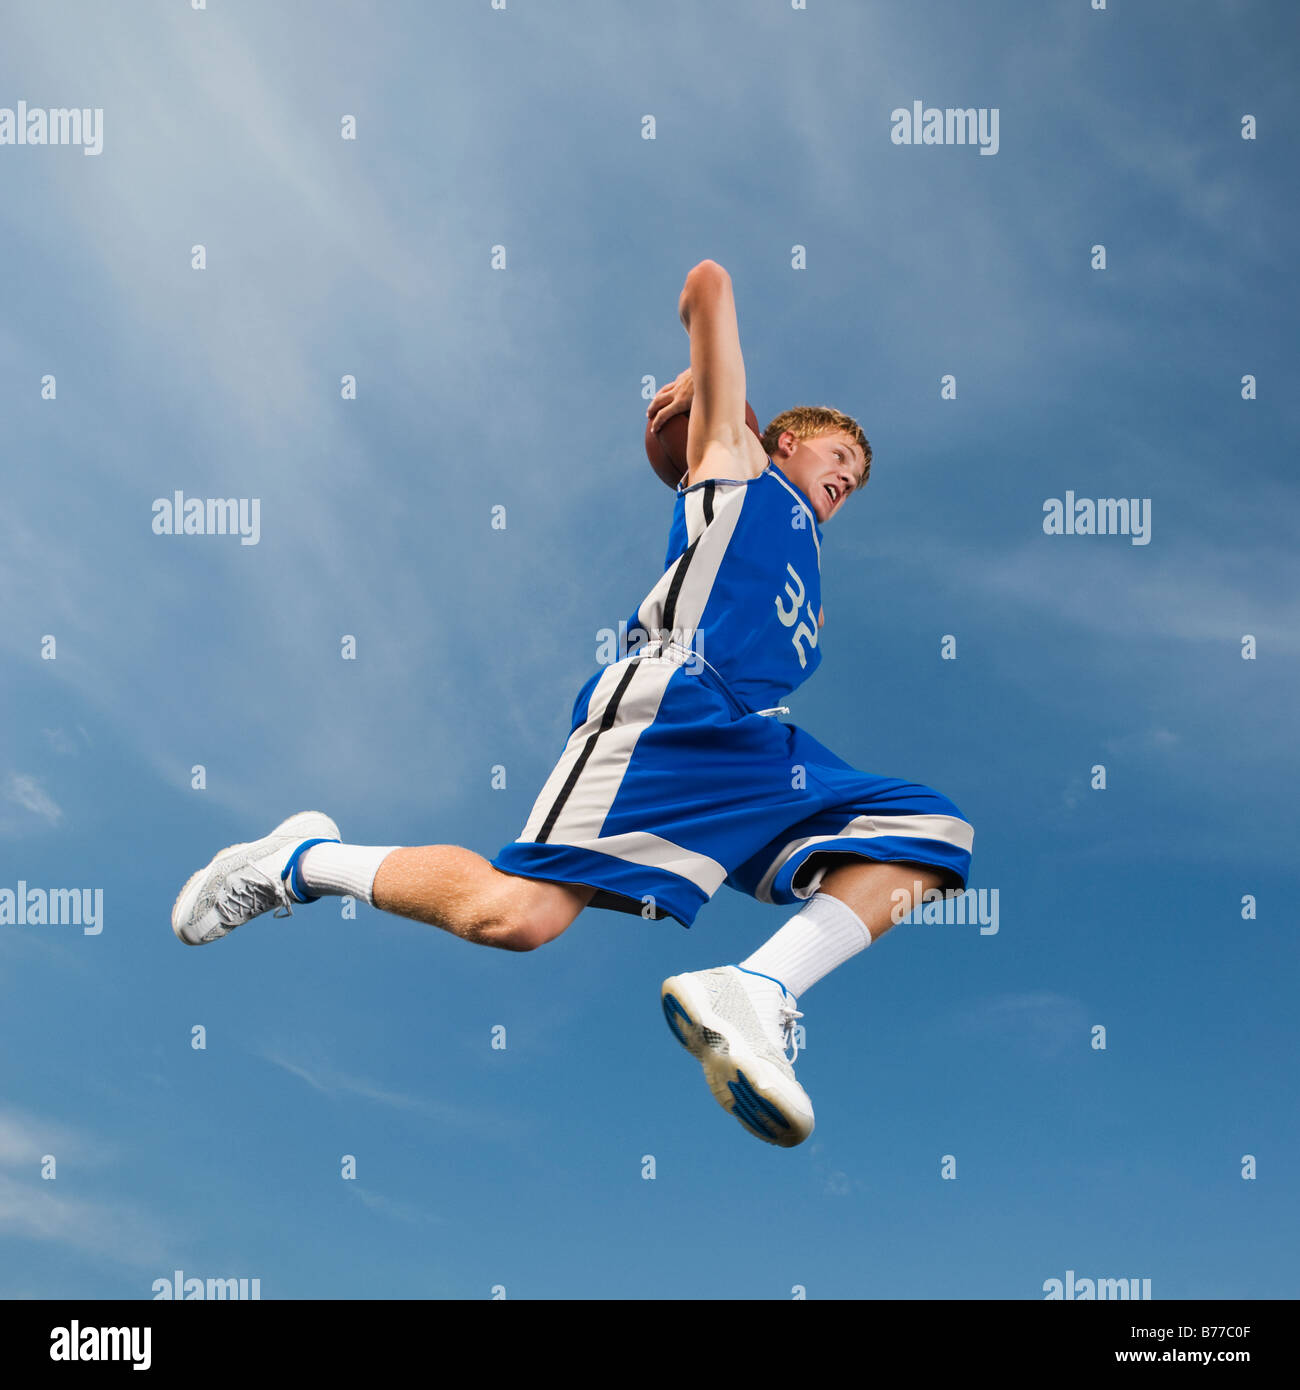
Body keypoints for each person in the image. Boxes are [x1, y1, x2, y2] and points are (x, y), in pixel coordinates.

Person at [172, 259, 973, 1148]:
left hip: (753, 741)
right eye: (839, 458)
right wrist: (707, 382)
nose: (847, 480)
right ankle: (294, 861)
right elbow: (707, 283)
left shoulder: (808, 561)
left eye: (857, 480)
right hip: (673, 702)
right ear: (785, 441)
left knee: (932, 831)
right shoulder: (737, 464)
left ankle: (759, 990)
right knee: (515, 919)